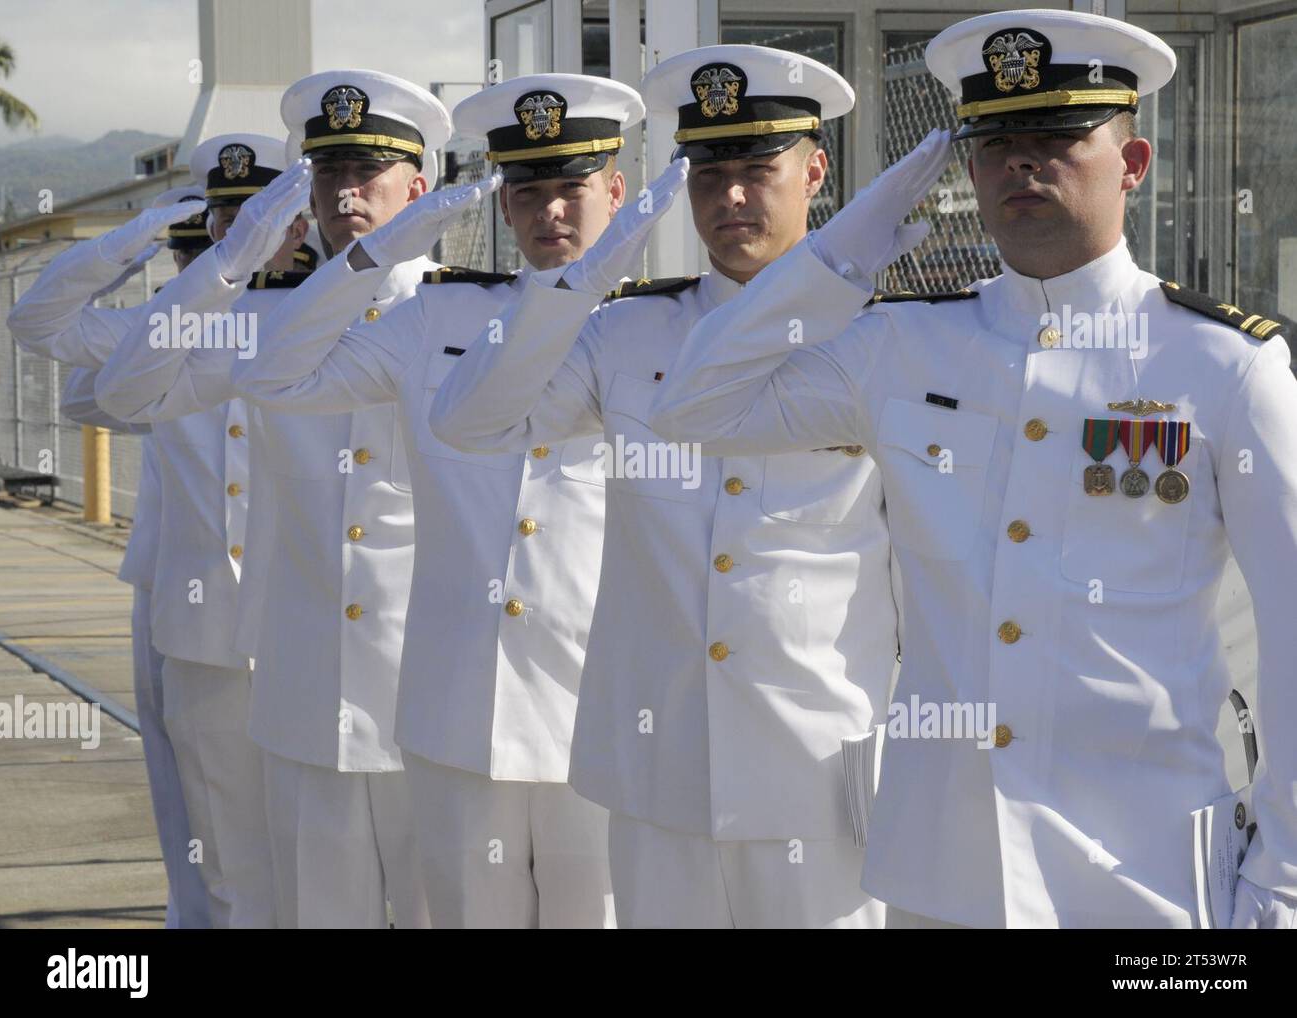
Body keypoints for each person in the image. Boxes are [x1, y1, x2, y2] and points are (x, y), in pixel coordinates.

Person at [648, 10, 1297, 929]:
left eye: (1058, 138)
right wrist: (839, 253)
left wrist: (1283, 883)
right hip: (946, 875)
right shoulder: (906, 343)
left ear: (1135, 164)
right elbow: (691, 407)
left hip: (1142, 880)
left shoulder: (1225, 367)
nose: (1021, 165)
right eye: (994, 144)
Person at [427, 45, 905, 929]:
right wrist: (573, 288)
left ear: (816, 170)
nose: (730, 198)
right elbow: (469, 422)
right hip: (659, 773)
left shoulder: (885, 341)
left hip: (818, 774)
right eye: (708, 173)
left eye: (758, 170)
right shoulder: (629, 331)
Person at [231, 72, 644, 928]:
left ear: (617, 191)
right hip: (460, 718)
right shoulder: (442, 320)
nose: (551, 214)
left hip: (595, 718)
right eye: (527, 192)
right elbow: (273, 376)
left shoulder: (657, 332)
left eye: (571, 189)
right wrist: (370, 256)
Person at [94, 70, 460, 929]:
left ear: (422, 185)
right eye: (329, 173)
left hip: (426, 705)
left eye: (370, 171)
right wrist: (228, 262)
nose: (348, 193)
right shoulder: (263, 322)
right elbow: (123, 390)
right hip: (304, 707)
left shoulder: (471, 316)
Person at [10, 186, 215, 928]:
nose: (202, 263)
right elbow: (50, 344)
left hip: (288, 590)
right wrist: (128, 247)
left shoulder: (292, 324)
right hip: (172, 579)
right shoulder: (156, 333)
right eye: (190, 248)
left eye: (220, 241)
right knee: (183, 786)